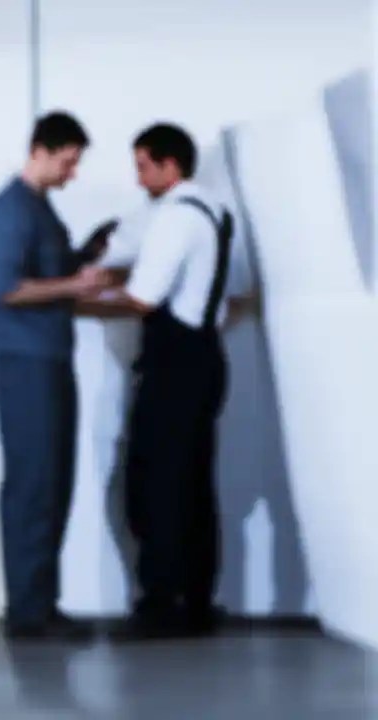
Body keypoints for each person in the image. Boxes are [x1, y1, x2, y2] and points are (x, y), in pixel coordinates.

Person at [78, 123, 238, 638]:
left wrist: (73, 301)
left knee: (155, 483)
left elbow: (144, 299)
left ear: (171, 166)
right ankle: (194, 601)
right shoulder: (213, 211)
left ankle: (160, 605)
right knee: (192, 484)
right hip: (204, 359)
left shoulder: (173, 219)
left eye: (144, 165)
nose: (138, 176)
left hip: (176, 367)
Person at [0, 111, 110, 641]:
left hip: (50, 360)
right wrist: (75, 285)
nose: (72, 174)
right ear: (42, 151)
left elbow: (46, 274)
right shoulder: (9, 213)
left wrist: (86, 257)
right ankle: (28, 611)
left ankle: (42, 604)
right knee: (34, 484)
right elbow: (7, 288)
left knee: (53, 481)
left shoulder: (40, 212)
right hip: (25, 364)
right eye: (68, 163)